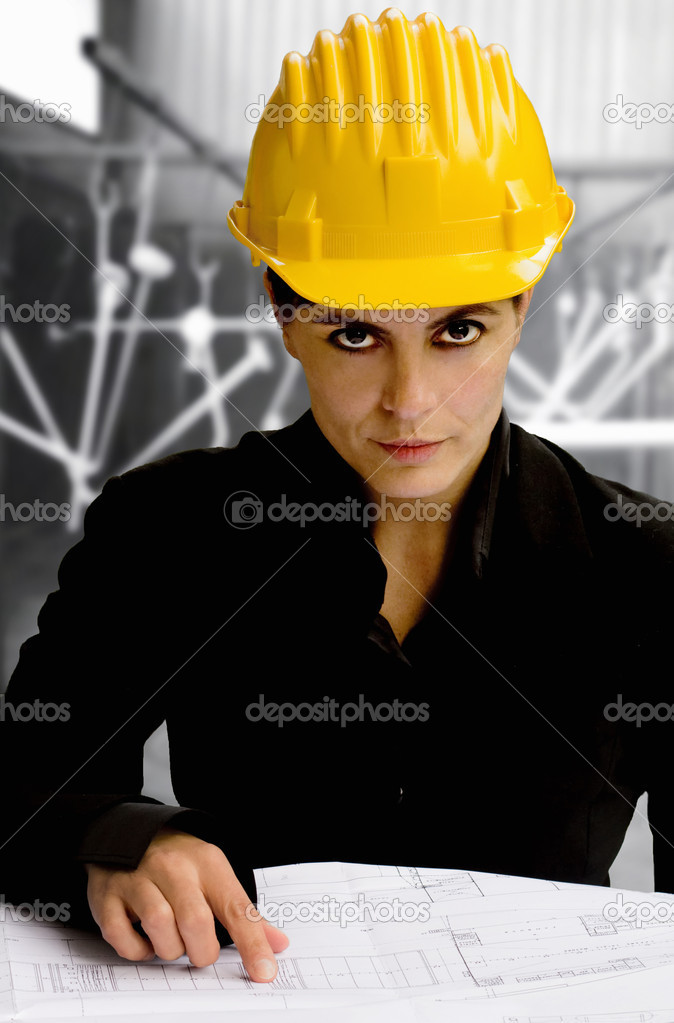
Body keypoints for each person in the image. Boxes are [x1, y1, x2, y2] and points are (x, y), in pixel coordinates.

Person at [1, 6, 673, 988]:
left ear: (520, 309)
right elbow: (22, 781)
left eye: (457, 332)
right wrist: (121, 837)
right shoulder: (168, 531)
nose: (410, 402)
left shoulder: (641, 563)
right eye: (355, 335)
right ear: (282, 310)